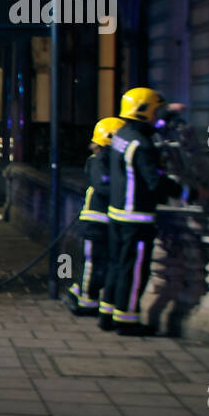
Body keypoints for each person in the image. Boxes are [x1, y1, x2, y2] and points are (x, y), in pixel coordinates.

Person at [104, 87, 190, 335]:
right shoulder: (142, 144)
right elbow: (154, 182)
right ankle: (127, 321)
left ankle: (107, 315)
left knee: (117, 266)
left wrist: (168, 112)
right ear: (143, 112)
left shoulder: (122, 133)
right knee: (133, 271)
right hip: (136, 218)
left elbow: (153, 126)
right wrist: (188, 193)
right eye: (154, 111)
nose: (156, 117)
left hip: (116, 214)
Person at [68, 117, 124, 317]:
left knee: (100, 263)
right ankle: (86, 302)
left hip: (104, 221)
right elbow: (102, 186)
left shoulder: (107, 161)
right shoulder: (97, 161)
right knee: (93, 262)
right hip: (94, 220)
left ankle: (78, 291)